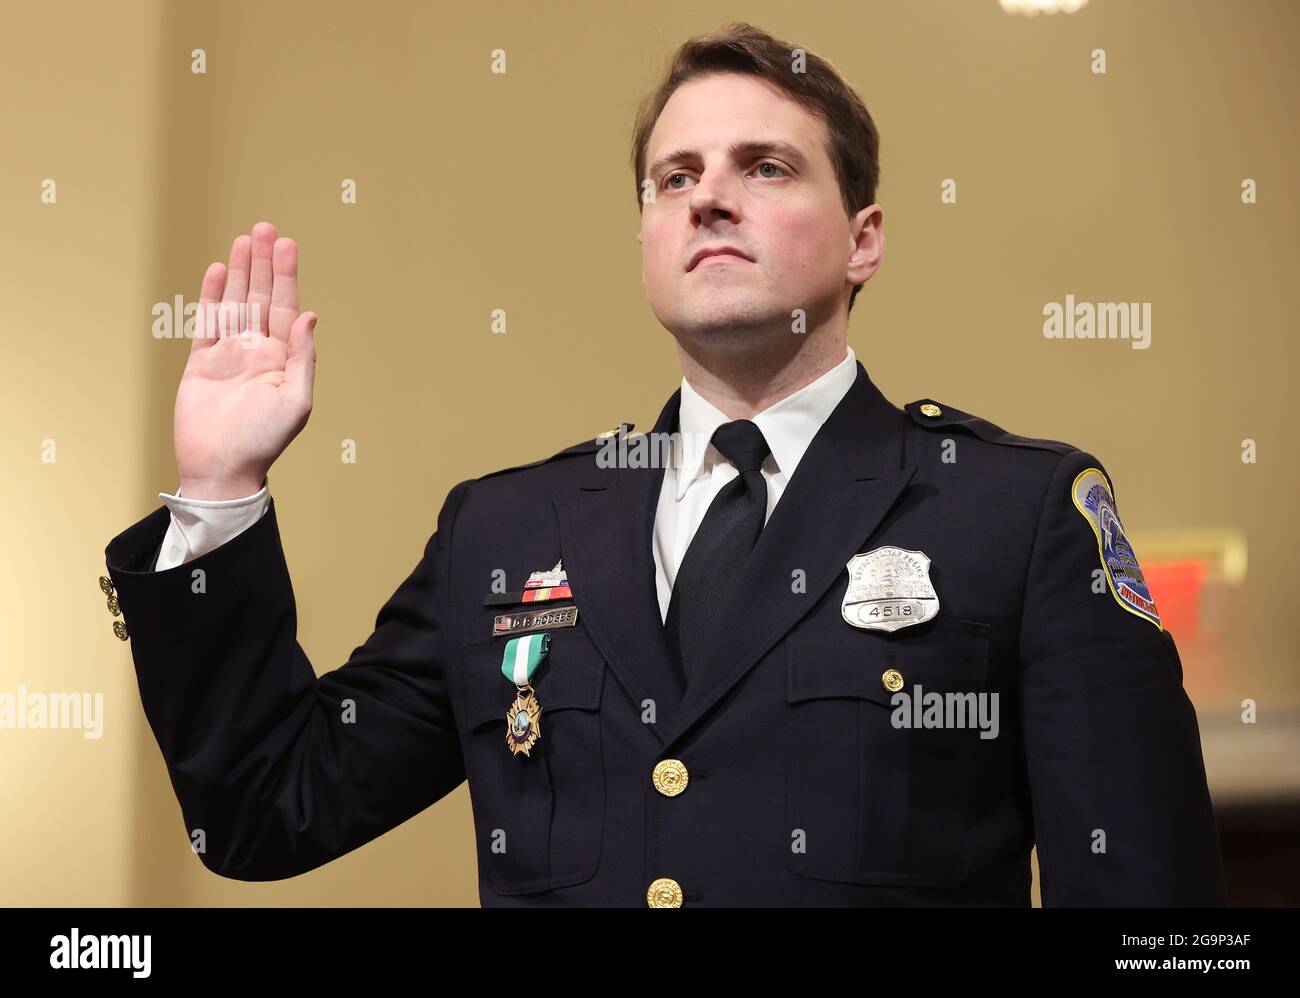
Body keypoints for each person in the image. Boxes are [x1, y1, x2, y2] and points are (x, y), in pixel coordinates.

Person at [102, 22, 1226, 906]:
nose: (709, 196)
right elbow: (264, 808)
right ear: (644, 234)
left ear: (864, 236)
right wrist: (217, 493)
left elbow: (1141, 898)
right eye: (672, 176)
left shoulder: (1015, 511)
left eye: (767, 166)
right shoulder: (507, 530)